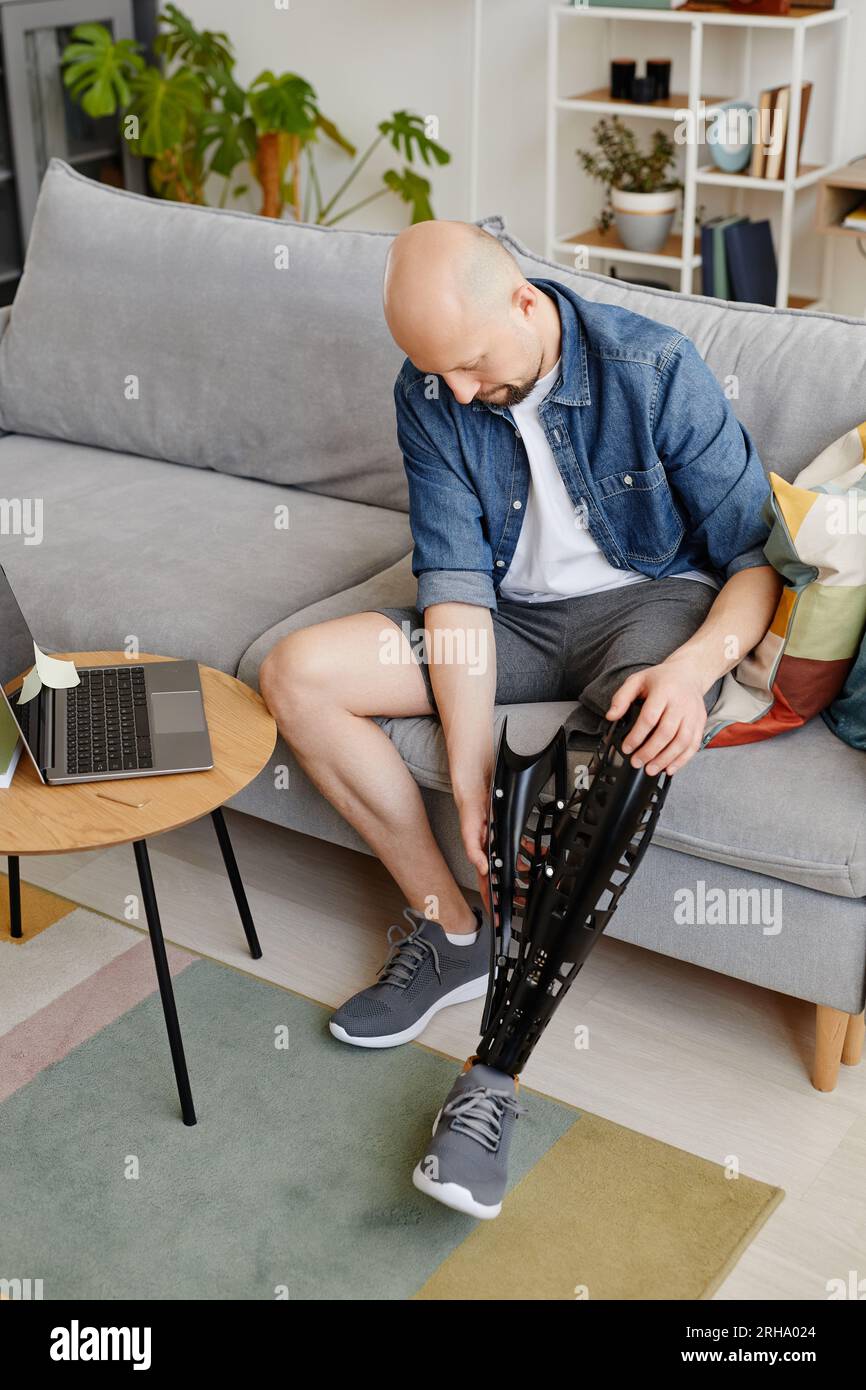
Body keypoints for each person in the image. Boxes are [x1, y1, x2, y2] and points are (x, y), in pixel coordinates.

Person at [259, 220, 782, 1219]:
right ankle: (449, 928)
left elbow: (754, 561)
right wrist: (464, 778)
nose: (451, 390)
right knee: (294, 673)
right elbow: (456, 591)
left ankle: (490, 1079)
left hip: (648, 606)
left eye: (465, 364)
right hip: (508, 621)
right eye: (431, 371)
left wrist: (689, 671)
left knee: (623, 756)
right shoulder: (428, 391)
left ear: (525, 307)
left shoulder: (652, 366)